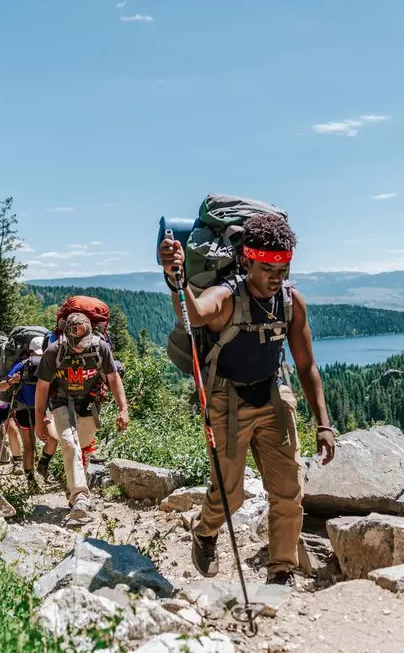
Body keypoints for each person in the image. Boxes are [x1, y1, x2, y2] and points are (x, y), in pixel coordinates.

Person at [158, 212, 336, 586]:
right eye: (268, 267)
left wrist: (323, 423)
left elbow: (307, 366)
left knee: (288, 491)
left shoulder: (290, 302)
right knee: (230, 493)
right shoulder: (225, 296)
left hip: (273, 395)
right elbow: (195, 313)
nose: (277, 277)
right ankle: (206, 532)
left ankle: (281, 570)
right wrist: (176, 282)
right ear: (247, 260)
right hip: (227, 399)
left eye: (283, 268)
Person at [34, 313, 130, 525]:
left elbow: (114, 379)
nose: (79, 347)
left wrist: (123, 409)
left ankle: (76, 486)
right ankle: (80, 497)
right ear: (66, 335)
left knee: (83, 447)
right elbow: (42, 387)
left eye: (83, 342)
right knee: (69, 444)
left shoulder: (100, 348)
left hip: (89, 402)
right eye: (75, 343)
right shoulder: (54, 351)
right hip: (60, 401)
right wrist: (39, 419)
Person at [0, 336, 58, 490]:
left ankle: (43, 465)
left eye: (40, 353)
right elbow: (2, 387)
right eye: (35, 353)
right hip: (24, 411)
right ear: (30, 351)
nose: (38, 356)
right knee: (29, 446)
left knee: (53, 439)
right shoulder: (21, 366)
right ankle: (31, 481)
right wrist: (12, 381)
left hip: (44, 409)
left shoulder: (49, 366)